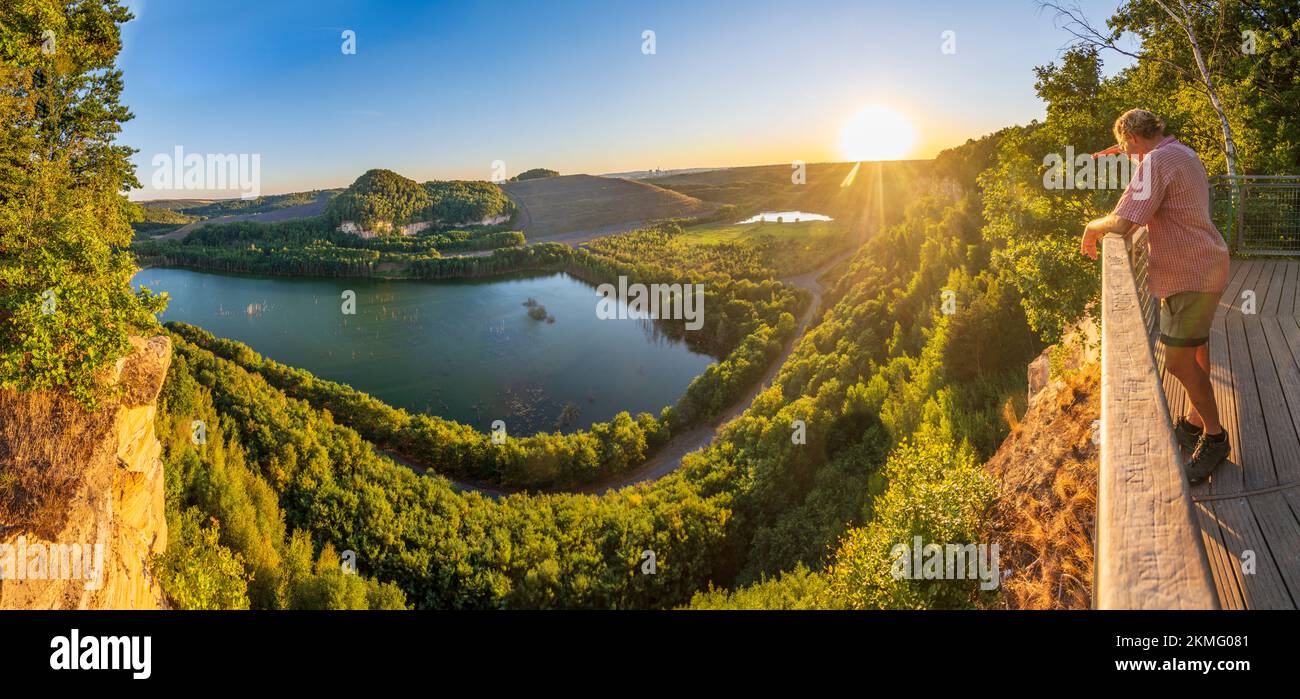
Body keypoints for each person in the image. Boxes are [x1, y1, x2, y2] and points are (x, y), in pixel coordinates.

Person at [1079, 108, 1232, 483]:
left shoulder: (1155, 164)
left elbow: (1123, 221)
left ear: (1131, 138)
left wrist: (1091, 227)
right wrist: (1131, 153)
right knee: (1197, 351)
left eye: (1125, 145)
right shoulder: (1181, 152)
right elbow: (1155, 173)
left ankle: (1215, 437)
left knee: (1178, 362)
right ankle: (1195, 423)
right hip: (1207, 263)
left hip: (1188, 274)